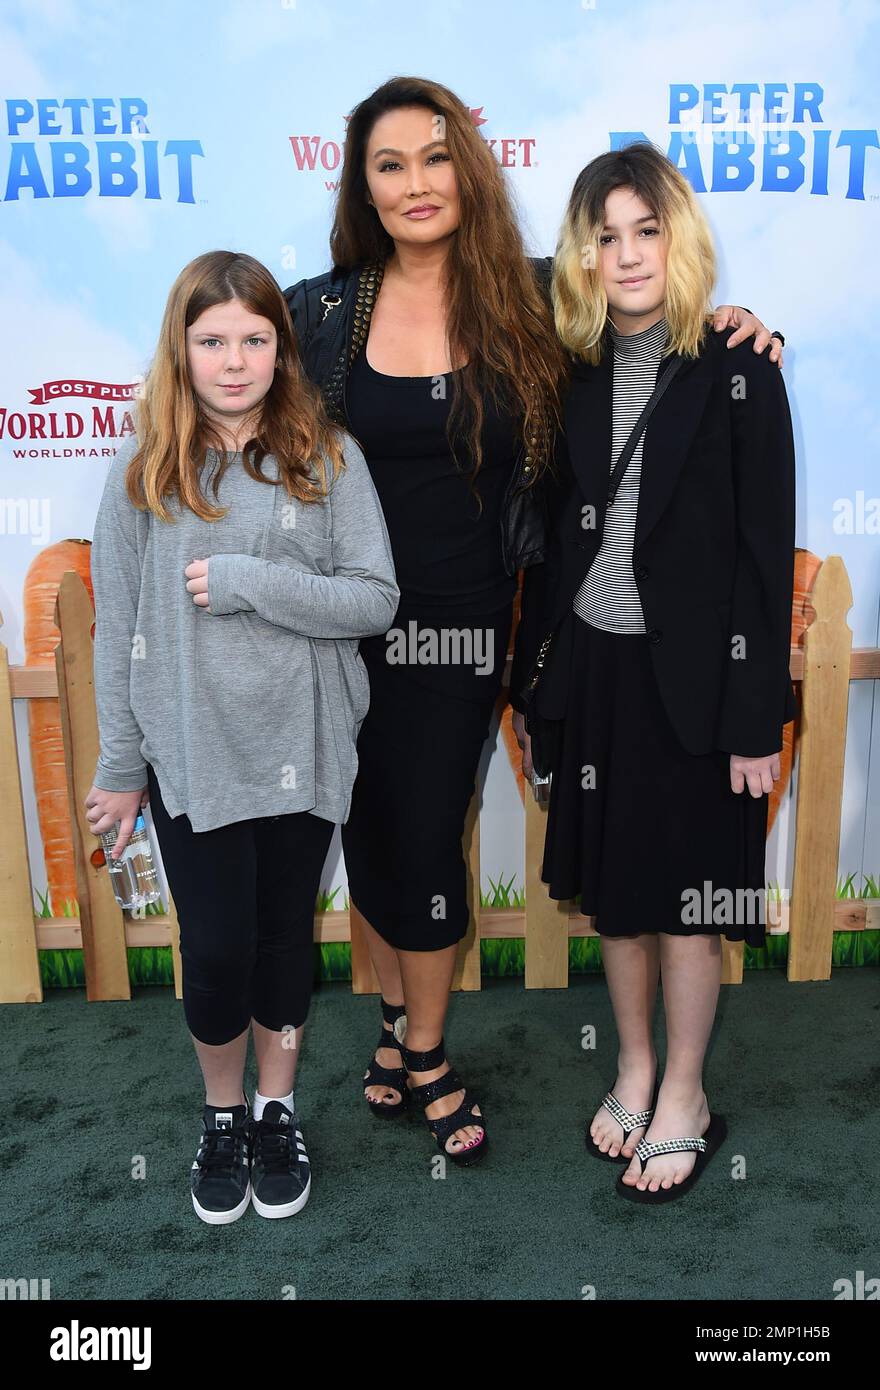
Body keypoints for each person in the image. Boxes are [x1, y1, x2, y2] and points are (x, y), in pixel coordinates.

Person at [284, 75, 782, 1166]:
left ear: (466, 166)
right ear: (362, 187)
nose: (416, 182)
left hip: (463, 624)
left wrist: (748, 321)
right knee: (367, 832)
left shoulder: (527, 297)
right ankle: (391, 1027)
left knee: (426, 830)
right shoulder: (318, 312)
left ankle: (429, 1052)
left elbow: (658, 314)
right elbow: (238, 402)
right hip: (334, 620)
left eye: (433, 156)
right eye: (388, 163)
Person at [84, 250, 399, 1223]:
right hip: (195, 756)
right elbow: (118, 629)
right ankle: (222, 1116)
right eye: (212, 339)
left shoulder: (329, 458)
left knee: (281, 948)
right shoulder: (144, 472)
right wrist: (120, 768)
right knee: (216, 949)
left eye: (254, 339)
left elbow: (374, 601)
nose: (233, 360)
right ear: (181, 347)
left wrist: (253, 579)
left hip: (301, 746)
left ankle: (276, 1107)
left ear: (280, 345)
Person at [510, 142, 796, 1203]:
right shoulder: (565, 367)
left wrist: (753, 719)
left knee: (685, 905)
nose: (626, 253)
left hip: (699, 687)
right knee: (616, 899)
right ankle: (632, 1068)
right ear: (579, 253)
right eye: (603, 233)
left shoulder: (741, 367)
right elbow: (547, 542)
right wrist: (542, 695)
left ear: (677, 237)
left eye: (646, 228)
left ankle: (685, 1093)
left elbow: (766, 555)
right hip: (594, 674)